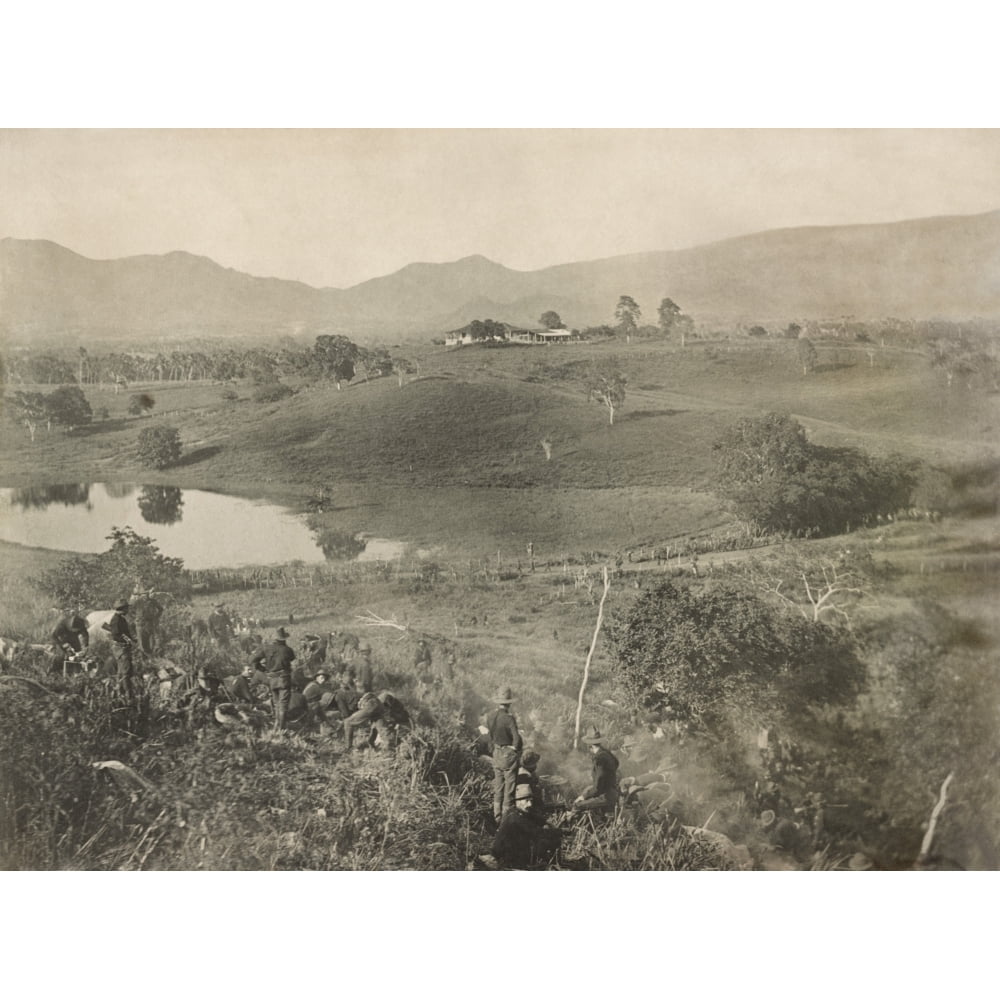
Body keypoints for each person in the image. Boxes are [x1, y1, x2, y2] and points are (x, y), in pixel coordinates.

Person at [486, 687, 522, 824]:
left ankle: (497, 817)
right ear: (509, 703)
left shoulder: (491, 716)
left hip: (496, 753)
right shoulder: (509, 718)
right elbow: (516, 740)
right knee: (509, 788)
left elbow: (491, 736)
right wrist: (513, 748)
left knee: (498, 786)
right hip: (507, 754)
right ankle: (506, 820)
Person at [249, 627, 296, 732]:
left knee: (276, 703)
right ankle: (281, 729)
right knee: (283, 704)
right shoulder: (288, 650)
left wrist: (262, 669)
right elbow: (292, 659)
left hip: (272, 679)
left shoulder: (267, 648)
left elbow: (253, 660)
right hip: (284, 678)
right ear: (284, 639)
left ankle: (276, 725)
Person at [573, 726, 620, 815]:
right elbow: (616, 765)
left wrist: (584, 797)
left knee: (576, 805)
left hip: (605, 796)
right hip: (612, 792)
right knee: (586, 790)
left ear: (589, 745)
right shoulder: (607, 754)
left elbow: (597, 788)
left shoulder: (599, 759)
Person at [105, 599, 138, 698]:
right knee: (125, 671)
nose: (128, 610)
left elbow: (124, 633)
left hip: (123, 647)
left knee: (123, 670)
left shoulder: (121, 619)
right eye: (126, 608)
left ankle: (121, 692)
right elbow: (116, 635)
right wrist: (128, 640)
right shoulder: (116, 620)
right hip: (121, 648)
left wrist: (133, 640)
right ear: (122, 608)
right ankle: (127, 695)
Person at [49, 607, 89, 674]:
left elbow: (85, 635)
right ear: (71, 627)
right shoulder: (61, 626)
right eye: (76, 630)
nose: (78, 631)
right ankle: (54, 671)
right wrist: (62, 644)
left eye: (78, 630)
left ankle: (77, 672)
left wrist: (85, 646)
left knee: (78, 655)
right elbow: (54, 637)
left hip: (73, 639)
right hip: (61, 639)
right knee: (62, 656)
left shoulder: (80, 624)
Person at [302, 669, 337, 734]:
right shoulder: (314, 686)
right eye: (322, 678)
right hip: (305, 706)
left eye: (324, 678)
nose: (323, 680)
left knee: (319, 708)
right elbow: (325, 692)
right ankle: (309, 729)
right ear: (317, 678)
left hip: (310, 705)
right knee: (322, 703)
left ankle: (329, 727)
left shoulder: (314, 684)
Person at [132, 590, 164, 655]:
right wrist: (136, 617)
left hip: (150, 622)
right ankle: (143, 654)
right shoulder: (137, 602)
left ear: (148, 594)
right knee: (141, 639)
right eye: (143, 594)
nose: (145, 596)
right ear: (141, 595)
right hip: (140, 623)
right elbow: (131, 611)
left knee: (151, 639)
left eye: (146, 594)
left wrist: (156, 617)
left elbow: (161, 609)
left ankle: (151, 654)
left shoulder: (153, 601)